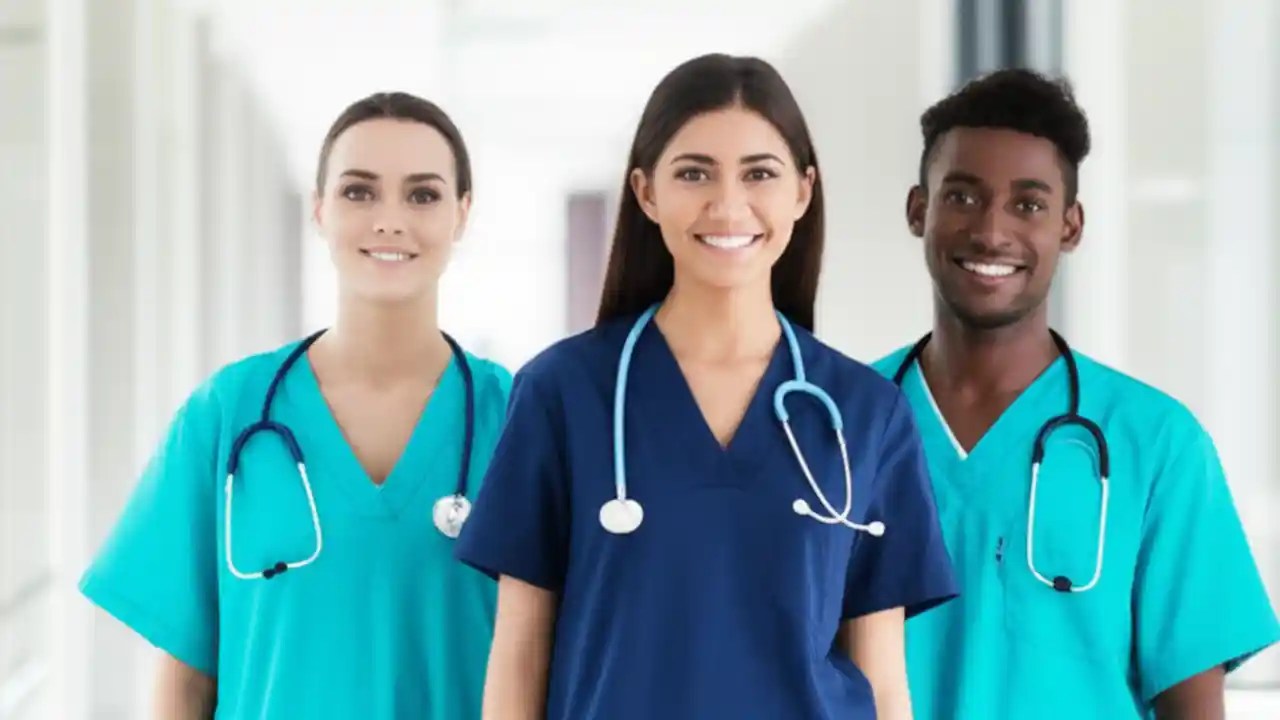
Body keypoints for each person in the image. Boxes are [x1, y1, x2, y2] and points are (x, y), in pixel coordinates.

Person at [454, 53, 958, 720]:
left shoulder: (865, 413)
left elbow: (884, 682)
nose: (727, 205)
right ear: (646, 192)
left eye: (760, 173)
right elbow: (519, 657)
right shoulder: (561, 394)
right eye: (694, 173)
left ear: (802, 191)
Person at [80, 92, 512, 719]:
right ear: (319, 209)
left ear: (462, 214)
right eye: (359, 192)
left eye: (422, 195)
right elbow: (186, 679)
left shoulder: (520, 419)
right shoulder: (227, 413)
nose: (390, 220)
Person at [873, 68, 1280, 719]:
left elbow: (1193, 706)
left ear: (1070, 226)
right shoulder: (842, 426)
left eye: (1028, 205)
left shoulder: (1157, 444)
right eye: (963, 196)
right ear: (918, 209)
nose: (991, 230)